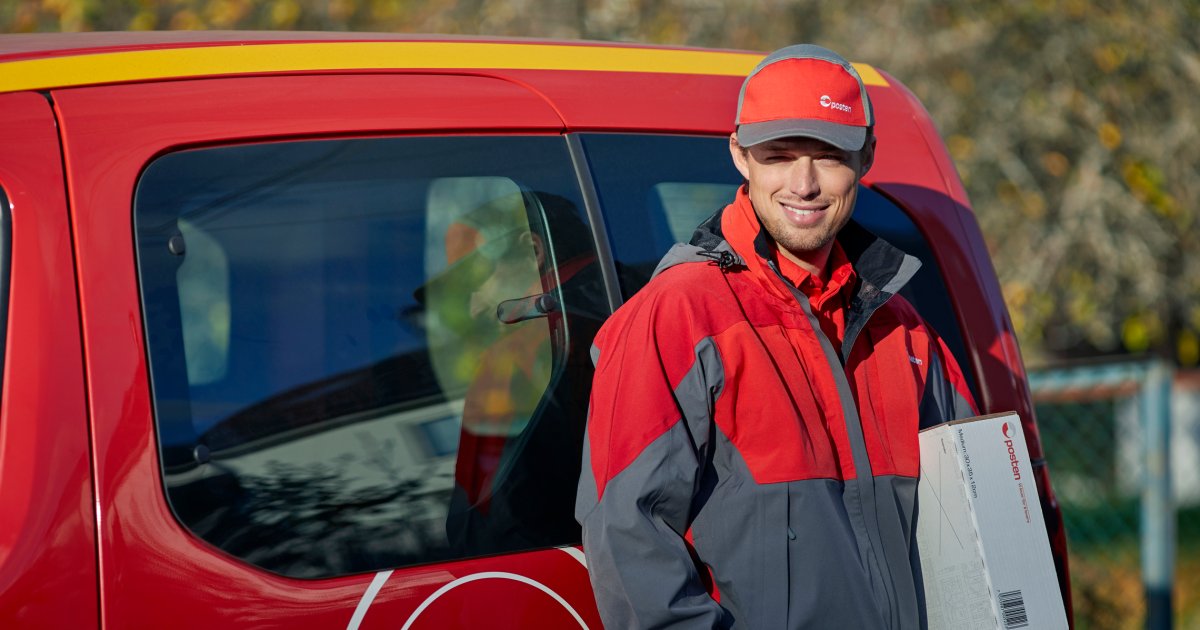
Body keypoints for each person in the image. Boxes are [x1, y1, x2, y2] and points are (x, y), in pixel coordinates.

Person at [575, 44, 978, 629]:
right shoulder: (677, 315)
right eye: (779, 155)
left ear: (865, 157)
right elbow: (627, 539)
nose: (804, 183)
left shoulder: (906, 333)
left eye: (828, 155)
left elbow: (977, 521)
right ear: (740, 156)